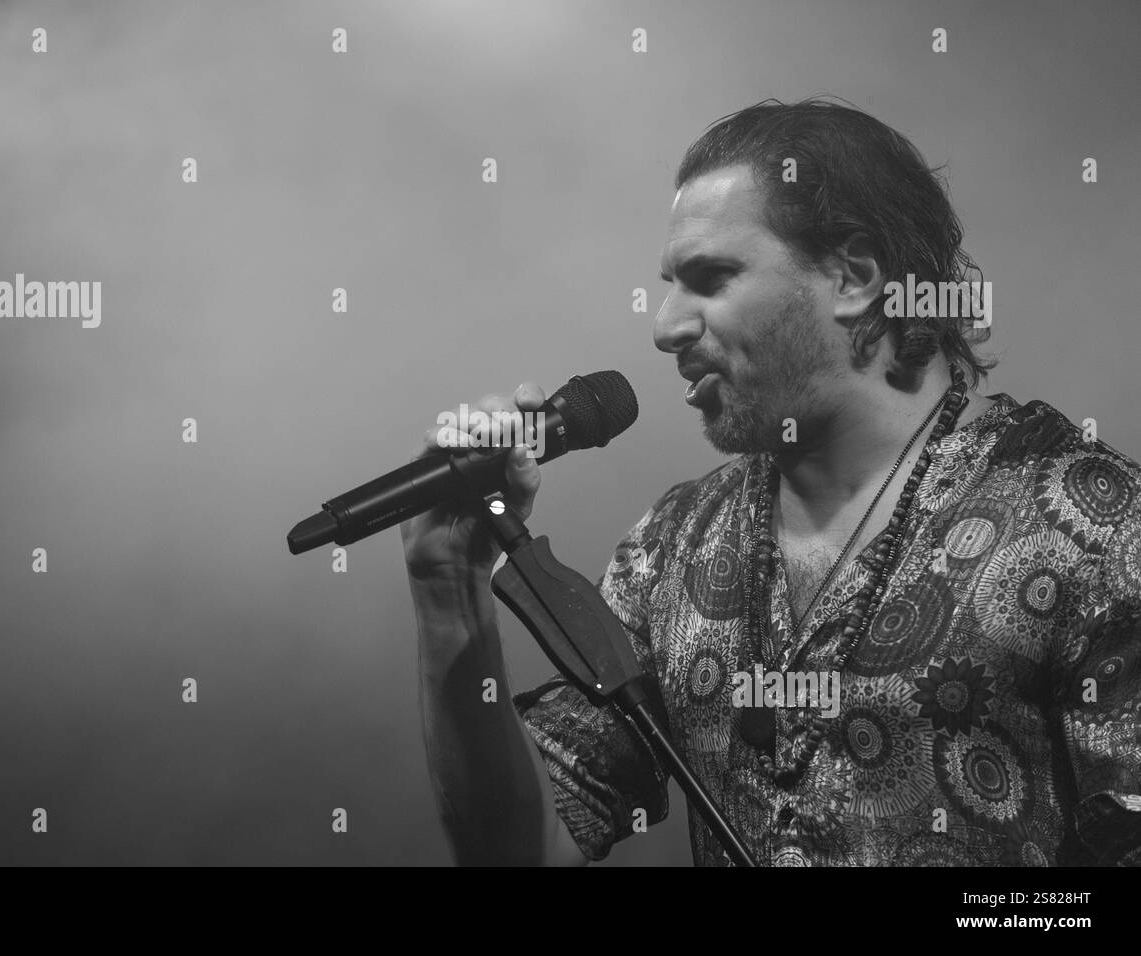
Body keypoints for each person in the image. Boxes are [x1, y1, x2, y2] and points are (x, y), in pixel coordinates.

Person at [400, 98, 1141, 866]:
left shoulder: (1096, 529)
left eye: (711, 277)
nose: (664, 326)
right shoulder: (673, 546)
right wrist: (448, 596)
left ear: (854, 277)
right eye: (668, 283)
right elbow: (519, 855)